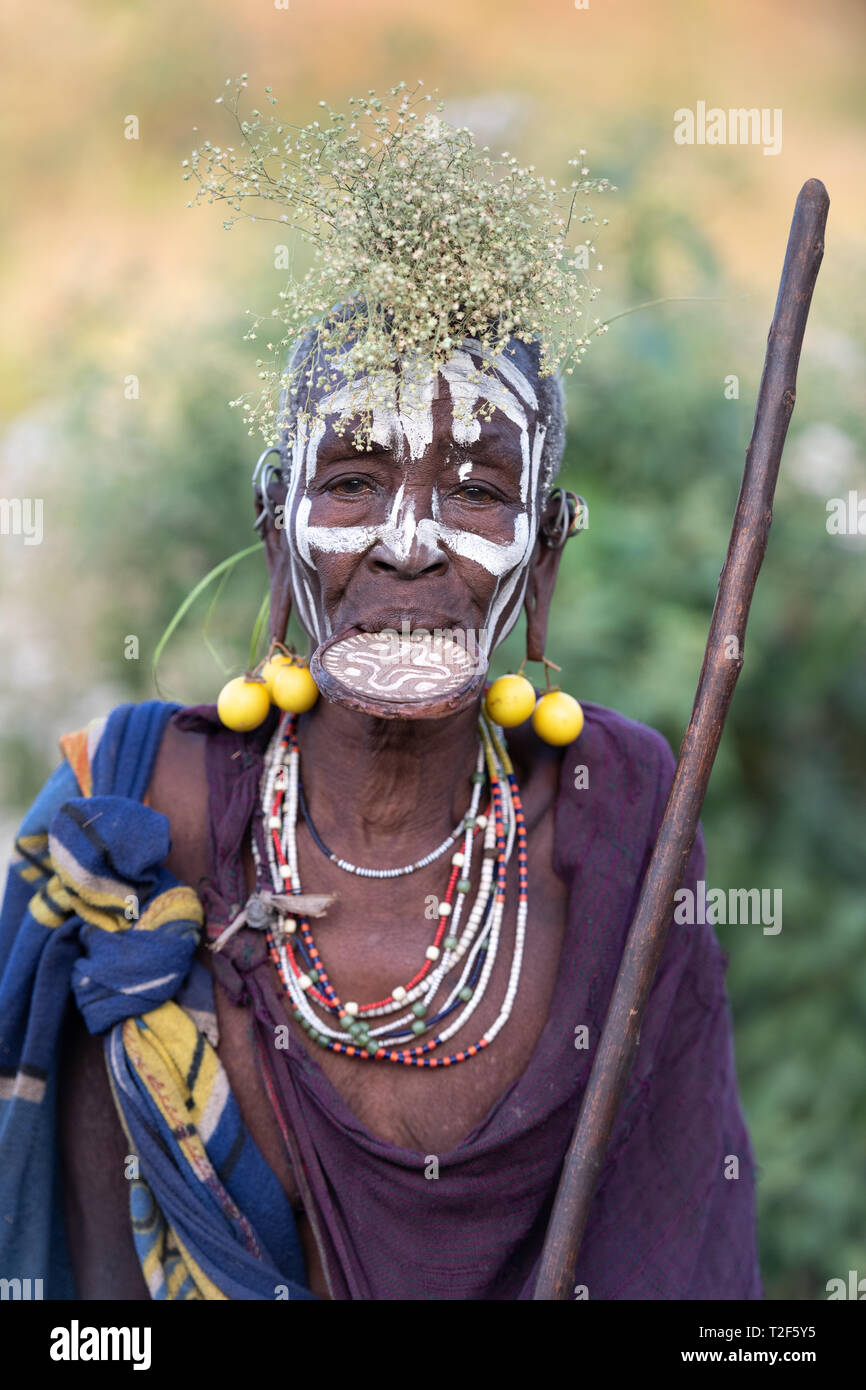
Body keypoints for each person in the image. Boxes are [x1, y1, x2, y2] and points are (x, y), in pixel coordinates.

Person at [0, 328, 762, 1300]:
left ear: (542, 564)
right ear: (276, 533)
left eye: (478, 492)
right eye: (353, 479)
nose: (406, 543)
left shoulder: (613, 813)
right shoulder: (129, 811)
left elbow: (676, 1255)